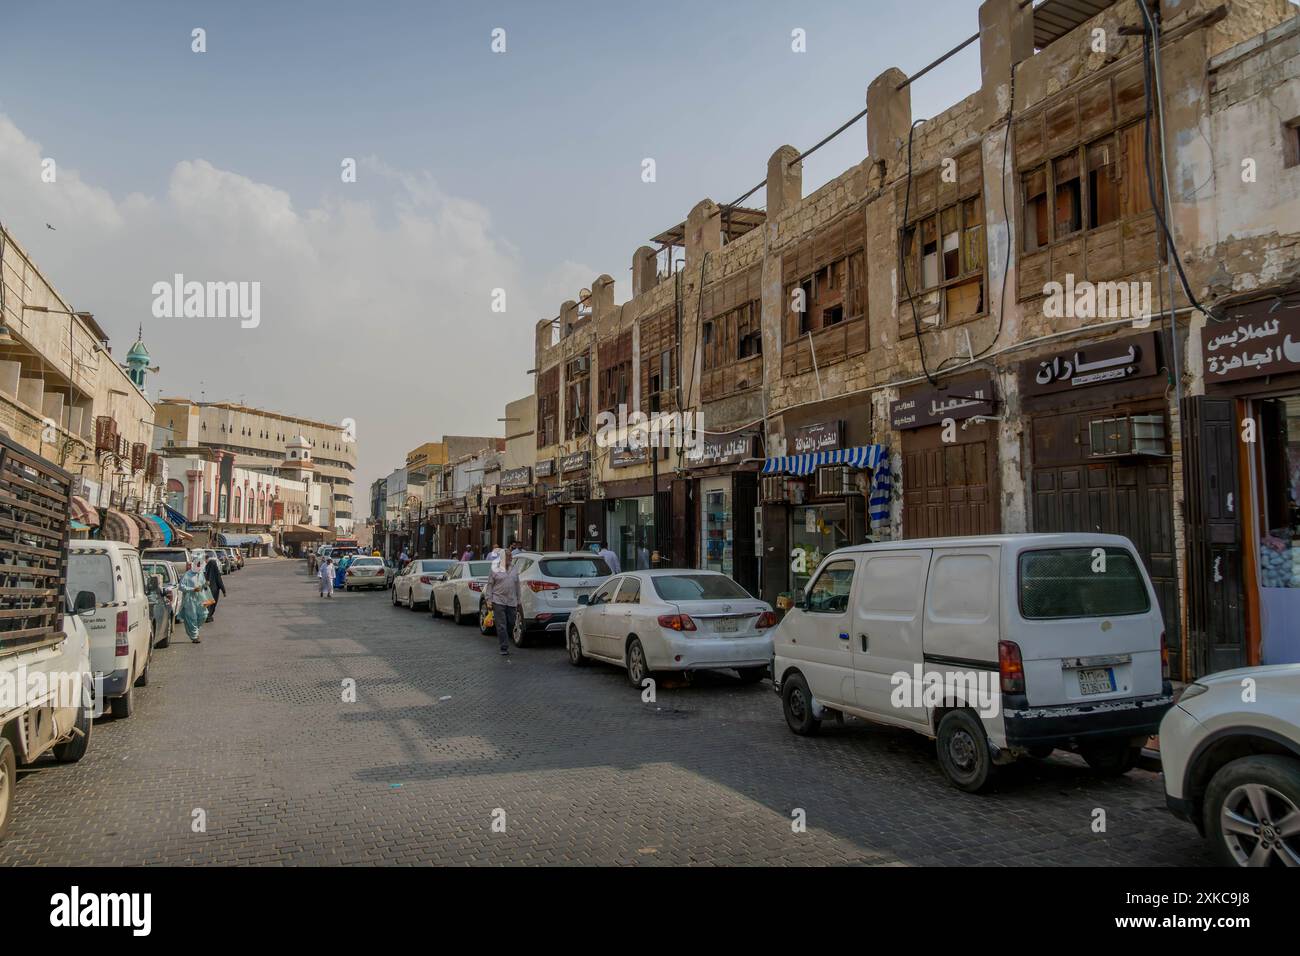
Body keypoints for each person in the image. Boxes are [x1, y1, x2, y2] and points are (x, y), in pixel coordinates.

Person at [486, 549, 521, 657]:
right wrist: (489, 600)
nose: (511, 557)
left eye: (511, 555)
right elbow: (490, 585)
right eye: (508, 555)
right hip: (498, 600)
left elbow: (517, 585)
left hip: (511, 601)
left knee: (511, 623)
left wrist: (519, 600)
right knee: (501, 625)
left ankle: (506, 639)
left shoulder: (514, 568)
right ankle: (504, 646)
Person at [178, 557, 208, 643]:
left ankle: (194, 630)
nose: (199, 566)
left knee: (204, 615)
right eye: (197, 564)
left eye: (200, 565)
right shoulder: (187, 575)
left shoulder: (201, 574)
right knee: (192, 618)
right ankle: (195, 637)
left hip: (200, 598)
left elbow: (202, 585)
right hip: (190, 600)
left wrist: (205, 585)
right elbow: (181, 587)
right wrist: (192, 589)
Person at [203, 552, 227, 622]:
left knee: (207, 603)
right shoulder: (215, 570)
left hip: (207, 589)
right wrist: (224, 591)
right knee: (212, 604)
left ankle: (207, 616)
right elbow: (219, 581)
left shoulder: (206, 570)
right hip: (214, 590)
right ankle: (208, 616)